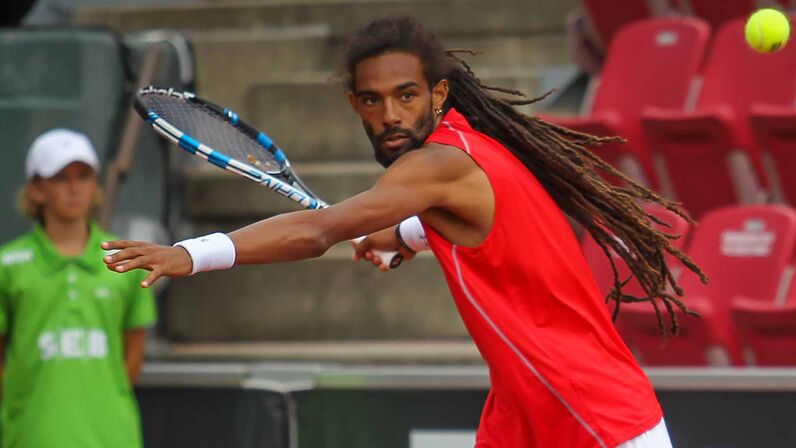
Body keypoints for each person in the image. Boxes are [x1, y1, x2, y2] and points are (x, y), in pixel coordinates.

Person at [102, 17, 706, 447]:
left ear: (437, 94)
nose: (389, 115)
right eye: (372, 100)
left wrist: (190, 253)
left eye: (406, 96)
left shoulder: (436, 166)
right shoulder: (474, 150)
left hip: (591, 415)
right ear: (354, 105)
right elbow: (489, 222)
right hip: (526, 413)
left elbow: (318, 232)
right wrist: (406, 235)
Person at [0, 129, 157, 448]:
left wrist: (99, 401)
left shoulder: (126, 261)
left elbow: (134, 352)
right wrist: (25, 403)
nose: (74, 188)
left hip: (112, 436)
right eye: (60, 178)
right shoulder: (7, 264)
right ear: (36, 190)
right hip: (31, 436)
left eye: (83, 176)